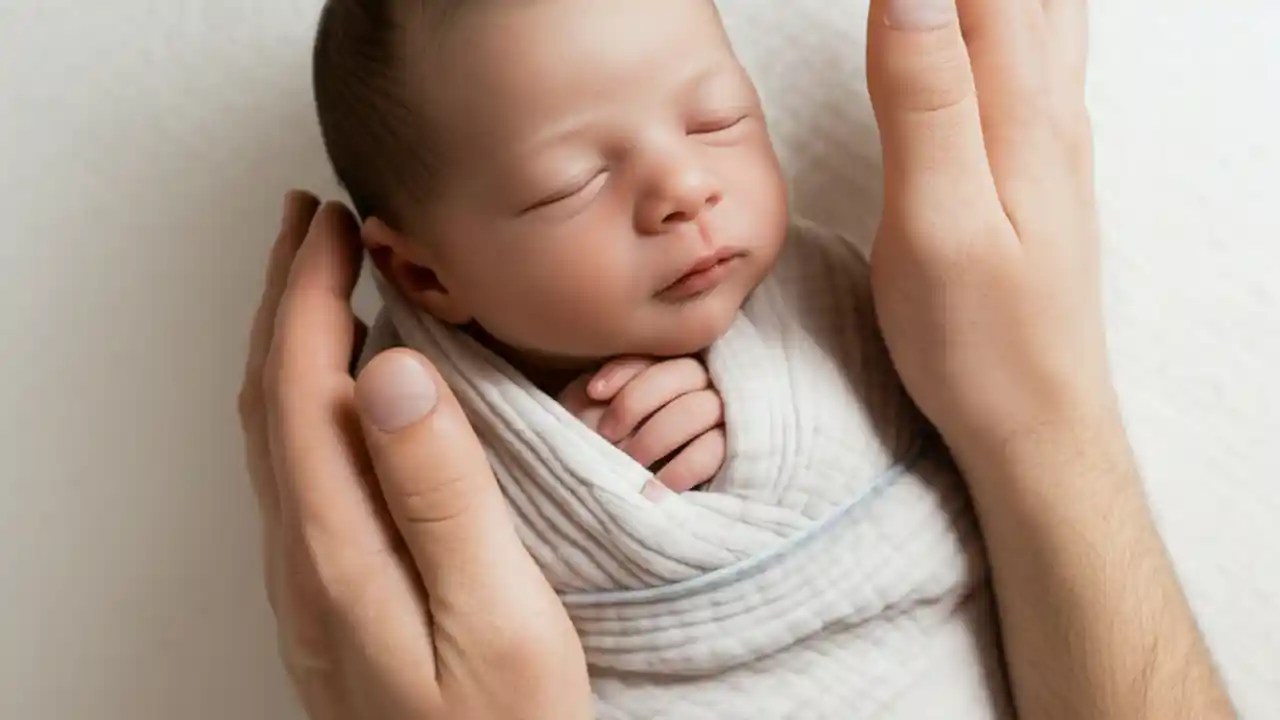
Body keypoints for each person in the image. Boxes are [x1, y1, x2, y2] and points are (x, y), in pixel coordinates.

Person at [238, 0, 1236, 718]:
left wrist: (755, 419)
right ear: (423, 276)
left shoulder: (824, 312)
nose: (681, 185)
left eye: (716, 119)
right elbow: (446, 607)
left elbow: (886, 459)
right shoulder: (432, 428)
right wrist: (592, 486)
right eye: (568, 183)